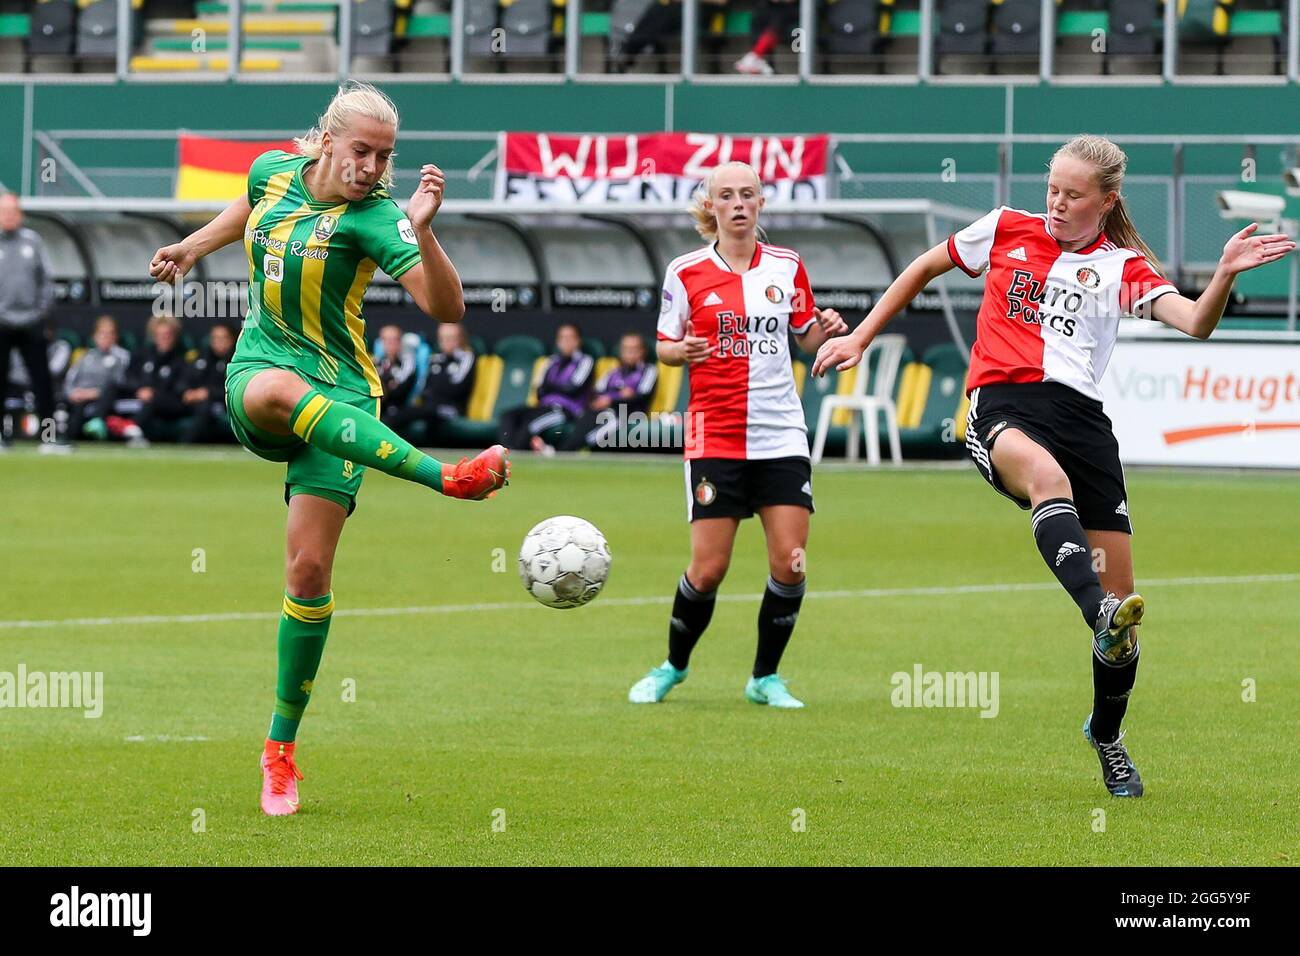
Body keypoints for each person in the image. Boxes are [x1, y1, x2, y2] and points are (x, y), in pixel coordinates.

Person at [813, 134, 1295, 797]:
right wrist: (861, 335)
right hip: (1001, 404)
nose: (1058, 203)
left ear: (1106, 201)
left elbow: (1193, 323)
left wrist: (1222, 274)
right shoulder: (1004, 228)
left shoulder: (1122, 267)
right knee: (1049, 485)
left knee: (1124, 626)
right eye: (1052, 190)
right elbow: (924, 267)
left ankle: (1107, 733)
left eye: (1073, 195)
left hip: (1084, 427)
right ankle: (1096, 609)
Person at [147, 80, 510, 818]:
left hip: (344, 397)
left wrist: (425, 228)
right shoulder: (271, 168)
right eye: (361, 151)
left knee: (308, 572)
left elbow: (446, 308)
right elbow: (248, 209)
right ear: (326, 141)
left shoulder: (379, 218)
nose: (372, 167)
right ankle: (446, 479)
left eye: (385, 156)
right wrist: (191, 246)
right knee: (278, 388)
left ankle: (279, 752)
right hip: (260, 374)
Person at [628, 160, 847, 709]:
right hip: (715, 435)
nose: (739, 204)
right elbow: (662, 346)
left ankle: (765, 678)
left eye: (748, 194)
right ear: (711, 205)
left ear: (761, 203)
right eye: (727, 195)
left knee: (790, 561)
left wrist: (828, 329)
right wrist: (680, 352)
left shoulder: (788, 267)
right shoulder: (685, 272)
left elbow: (805, 337)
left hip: (780, 434)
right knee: (709, 568)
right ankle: (673, 667)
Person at [0, 191, 65, 451]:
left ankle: (48, 438)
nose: (8, 216)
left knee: (43, 383)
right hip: (1, 323)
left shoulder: (33, 242)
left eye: (12, 212)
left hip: (31, 323)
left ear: (21, 214)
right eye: (4, 212)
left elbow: (46, 281)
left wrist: (41, 313)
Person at [497, 322, 593, 455]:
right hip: (544, 407)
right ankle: (504, 452)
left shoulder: (585, 361)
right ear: (557, 341)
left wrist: (551, 387)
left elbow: (573, 388)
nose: (566, 342)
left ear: (577, 341)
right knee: (509, 415)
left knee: (530, 425)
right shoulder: (551, 361)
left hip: (566, 411)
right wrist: (555, 387)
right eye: (562, 338)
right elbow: (540, 390)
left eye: (570, 338)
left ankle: (516, 455)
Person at [558, 332, 657, 452]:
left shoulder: (649, 370)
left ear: (642, 351)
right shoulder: (614, 371)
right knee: (587, 415)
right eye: (626, 349)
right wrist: (619, 394)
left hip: (629, 415)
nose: (630, 353)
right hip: (606, 411)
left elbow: (642, 396)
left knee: (605, 420)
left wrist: (612, 399)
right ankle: (566, 450)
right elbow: (598, 392)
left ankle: (569, 450)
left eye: (634, 349)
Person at [385, 322, 476, 442]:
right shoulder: (435, 359)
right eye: (442, 338)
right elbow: (426, 387)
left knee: (426, 411)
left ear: (460, 339)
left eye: (450, 338)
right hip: (430, 406)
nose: (446, 342)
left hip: (451, 409)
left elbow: (457, 387)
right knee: (408, 411)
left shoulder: (466, 357)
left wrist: (438, 387)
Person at [63, 315, 145, 444]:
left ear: (116, 336)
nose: (106, 338)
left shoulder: (123, 356)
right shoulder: (85, 356)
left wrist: (93, 393)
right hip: (79, 398)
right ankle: (58, 437)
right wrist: (72, 393)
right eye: (102, 333)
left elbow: (120, 382)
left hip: (105, 399)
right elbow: (69, 381)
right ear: (95, 336)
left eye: (110, 333)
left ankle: (97, 424)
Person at [129, 312, 190, 443]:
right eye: (160, 335)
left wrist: (154, 393)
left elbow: (180, 390)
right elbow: (129, 377)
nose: (164, 339)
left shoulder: (181, 360)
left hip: (171, 403)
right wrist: (140, 389)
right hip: (142, 398)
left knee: (152, 401)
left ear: (175, 336)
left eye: (167, 335)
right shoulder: (143, 355)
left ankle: (131, 430)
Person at [179, 321, 237, 444]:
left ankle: (185, 444)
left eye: (223, 338)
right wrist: (187, 392)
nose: (218, 342)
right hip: (192, 402)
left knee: (205, 407)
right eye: (215, 338)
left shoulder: (236, 361)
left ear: (232, 340)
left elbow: (234, 389)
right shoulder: (200, 358)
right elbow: (184, 379)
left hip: (222, 404)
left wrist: (208, 393)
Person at [734, 0, 800, 75]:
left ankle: (752, 58)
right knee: (763, 22)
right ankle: (761, 63)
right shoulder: (765, 8)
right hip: (773, 19)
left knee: (776, 23)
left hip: (793, 20)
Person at [374, 323, 417, 416]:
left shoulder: (407, 363)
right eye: (386, 340)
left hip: (400, 409)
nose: (390, 343)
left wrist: (385, 385)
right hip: (379, 408)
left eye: (394, 339)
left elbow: (399, 390)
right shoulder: (377, 362)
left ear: (400, 341)